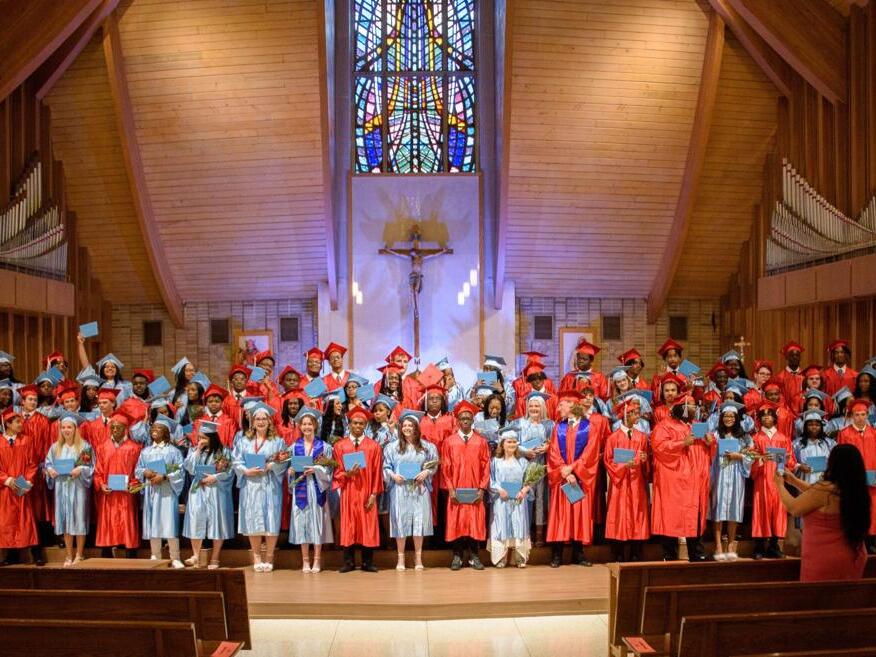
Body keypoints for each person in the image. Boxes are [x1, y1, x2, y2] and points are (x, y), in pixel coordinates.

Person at [774, 444, 870, 582]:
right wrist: (794, 481)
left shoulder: (825, 490)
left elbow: (794, 508)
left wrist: (779, 485)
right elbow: (815, 493)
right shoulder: (856, 490)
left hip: (825, 557)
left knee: (820, 601)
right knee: (846, 601)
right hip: (854, 554)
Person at [651, 394, 714, 561]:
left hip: (694, 481)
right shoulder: (664, 426)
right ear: (683, 408)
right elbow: (659, 448)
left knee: (694, 515)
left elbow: (708, 451)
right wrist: (682, 443)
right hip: (674, 481)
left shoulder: (697, 426)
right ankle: (669, 554)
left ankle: (696, 552)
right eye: (692, 406)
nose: (695, 409)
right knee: (672, 516)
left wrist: (710, 443)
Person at [546, 389, 601, 567]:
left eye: (561, 404)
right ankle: (557, 554)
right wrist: (564, 470)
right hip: (563, 479)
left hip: (579, 479)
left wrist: (573, 469)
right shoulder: (558, 427)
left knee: (578, 514)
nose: (558, 408)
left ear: (571, 405)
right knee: (560, 516)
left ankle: (579, 553)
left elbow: (591, 453)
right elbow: (553, 452)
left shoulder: (589, 427)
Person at [233, 402, 288, 572]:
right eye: (257, 418)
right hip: (250, 485)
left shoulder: (278, 441)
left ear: (269, 421)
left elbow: (284, 461)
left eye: (264, 418)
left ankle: (269, 558)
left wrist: (272, 466)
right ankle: (257, 557)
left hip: (269, 484)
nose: (261, 421)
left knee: (271, 519)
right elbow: (236, 461)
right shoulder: (244, 441)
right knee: (253, 520)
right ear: (252, 421)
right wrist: (245, 470)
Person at [383, 412, 438, 570]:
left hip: (419, 489)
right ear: (400, 428)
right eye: (404, 425)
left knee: (418, 523)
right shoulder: (391, 447)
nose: (407, 428)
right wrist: (393, 476)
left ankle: (418, 558)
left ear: (416, 428)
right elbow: (386, 467)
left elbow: (433, 465)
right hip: (400, 489)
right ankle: (400, 558)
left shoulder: (427, 447)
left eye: (410, 425)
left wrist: (426, 473)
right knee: (400, 522)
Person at [333, 406, 384, 572]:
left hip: (367, 491)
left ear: (366, 425)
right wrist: (347, 474)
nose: (358, 426)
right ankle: (348, 562)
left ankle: (367, 562)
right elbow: (336, 472)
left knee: (367, 525)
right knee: (349, 524)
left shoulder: (373, 447)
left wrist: (374, 494)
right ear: (349, 424)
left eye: (361, 424)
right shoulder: (340, 446)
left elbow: (377, 472)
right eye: (355, 423)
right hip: (349, 491)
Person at [442, 400, 490, 570]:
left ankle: (474, 556)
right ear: (457, 420)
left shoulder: (481, 442)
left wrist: (482, 489)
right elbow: (445, 468)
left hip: (475, 490)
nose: (465, 421)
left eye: (468, 418)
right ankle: (457, 556)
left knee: (474, 523)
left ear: (472, 420)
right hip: (456, 490)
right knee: (457, 523)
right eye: (462, 418)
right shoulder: (449, 442)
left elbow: (486, 468)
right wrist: (451, 489)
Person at [287, 407, 334, 573]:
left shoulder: (325, 447)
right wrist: (291, 472)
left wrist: (316, 470)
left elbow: (329, 472)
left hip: (316, 489)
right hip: (301, 488)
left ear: (315, 425)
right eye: (304, 424)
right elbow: (290, 469)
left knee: (316, 523)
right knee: (302, 523)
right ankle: (305, 561)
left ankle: (317, 560)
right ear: (300, 426)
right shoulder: (294, 447)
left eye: (310, 424)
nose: (307, 427)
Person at [603, 397, 650, 562]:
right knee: (619, 514)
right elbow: (608, 461)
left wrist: (644, 459)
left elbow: (646, 461)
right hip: (620, 484)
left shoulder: (642, 437)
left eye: (638, 412)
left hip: (636, 482)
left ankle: (636, 553)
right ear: (625, 415)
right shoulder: (613, 438)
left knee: (637, 513)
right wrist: (623, 467)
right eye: (634, 413)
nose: (637, 416)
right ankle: (619, 553)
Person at [44, 412, 93, 566]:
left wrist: (80, 470)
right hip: (62, 488)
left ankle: (79, 554)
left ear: (75, 428)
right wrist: (49, 470)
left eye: (69, 427)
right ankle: (68, 555)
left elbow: (90, 467)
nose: (66, 430)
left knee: (79, 519)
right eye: (63, 427)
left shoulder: (84, 446)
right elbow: (47, 464)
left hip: (78, 488)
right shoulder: (55, 447)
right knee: (65, 520)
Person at [183, 425, 234, 569]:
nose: (201, 441)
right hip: (198, 489)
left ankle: (215, 558)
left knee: (216, 521)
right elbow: (189, 468)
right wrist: (198, 450)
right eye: (199, 438)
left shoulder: (223, 452)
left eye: (204, 438)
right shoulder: (195, 450)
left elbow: (229, 471)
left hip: (216, 490)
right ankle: (195, 556)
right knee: (196, 519)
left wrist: (215, 477)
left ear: (212, 438)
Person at [136, 421, 185, 568]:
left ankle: (175, 557)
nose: (154, 430)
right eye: (153, 428)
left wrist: (164, 476)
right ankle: (155, 555)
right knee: (153, 523)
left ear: (166, 432)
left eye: (159, 428)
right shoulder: (146, 451)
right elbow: (138, 469)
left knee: (170, 522)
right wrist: (145, 472)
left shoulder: (173, 451)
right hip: (152, 491)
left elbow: (180, 471)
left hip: (167, 491)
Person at [751, 402, 797, 559]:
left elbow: (790, 462)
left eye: (769, 415)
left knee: (778, 510)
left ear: (774, 418)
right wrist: (761, 459)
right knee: (761, 510)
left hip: (778, 480)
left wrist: (789, 459)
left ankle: (774, 545)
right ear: (759, 419)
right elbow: (749, 460)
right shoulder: (755, 438)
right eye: (763, 416)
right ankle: (759, 546)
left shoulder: (783, 438)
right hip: (762, 480)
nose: (766, 418)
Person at [708, 402, 753, 561]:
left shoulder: (745, 437)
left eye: (731, 416)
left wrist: (739, 456)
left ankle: (731, 545)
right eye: (726, 416)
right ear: (721, 418)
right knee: (718, 510)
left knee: (734, 510)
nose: (728, 418)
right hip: (720, 474)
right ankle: (719, 546)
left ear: (736, 418)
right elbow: (708, 453)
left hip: (736, 475)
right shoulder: (715, 434)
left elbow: (752, 456)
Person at [94, 413, 142, 558]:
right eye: (112, 427)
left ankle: (130, 553)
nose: (114, 430)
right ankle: (107, 552)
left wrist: (133, 484)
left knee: (127, 521)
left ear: (126, 429)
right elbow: (98, 471)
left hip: (126, 494)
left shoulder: (134, 448)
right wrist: (101, 484)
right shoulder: (103, 447)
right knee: (108, 521)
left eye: (118, 427)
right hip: (109, 494)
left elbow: (138, 471)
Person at [488, 428, 534, 568]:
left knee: (519, 525)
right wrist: (499, 490)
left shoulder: (522, 462)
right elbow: (490, 479)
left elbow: (529, 479)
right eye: (509, 442)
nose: (512, 444)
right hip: (501, 499)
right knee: (501, 525)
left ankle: (519, 558)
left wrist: (524, 490)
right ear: (502, 444)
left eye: (514, 442)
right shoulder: (495, 461)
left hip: (518, 499)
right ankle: (501, 558)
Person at [837, 399, 876, 554]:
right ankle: (856, 541)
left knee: (873, 509)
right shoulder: (844, 434)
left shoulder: (873, 433)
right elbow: (841, 458)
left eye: (863, 414)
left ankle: (871, 540)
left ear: (867, 415)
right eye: (857, 415)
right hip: (853, 479)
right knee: (855, 508)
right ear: (851, 416)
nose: (860, 418)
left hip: (873, 479)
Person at [0, 408, 38, 565]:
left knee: (26, 519)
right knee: (7, 521)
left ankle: (36, 554)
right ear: (8, 424)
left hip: (22, 485)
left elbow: (32, 463)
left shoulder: (27, 440)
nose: (20, 424)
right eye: (17, 422)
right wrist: (6, 480)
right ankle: (11, 556)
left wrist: (27, 481)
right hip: (6, 488)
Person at [517, 392, 553, 546]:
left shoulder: (550, 424)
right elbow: (512, 442)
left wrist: (547, 447)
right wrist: (526, 452)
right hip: (525, 465)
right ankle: (525, 533)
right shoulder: (520, 423)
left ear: (542, 407)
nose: (533, 408)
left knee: (541, 499)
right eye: (531, 406)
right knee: (525, 498)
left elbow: (556, 443)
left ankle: (539, 533)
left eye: (537, 405)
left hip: (542, 465)